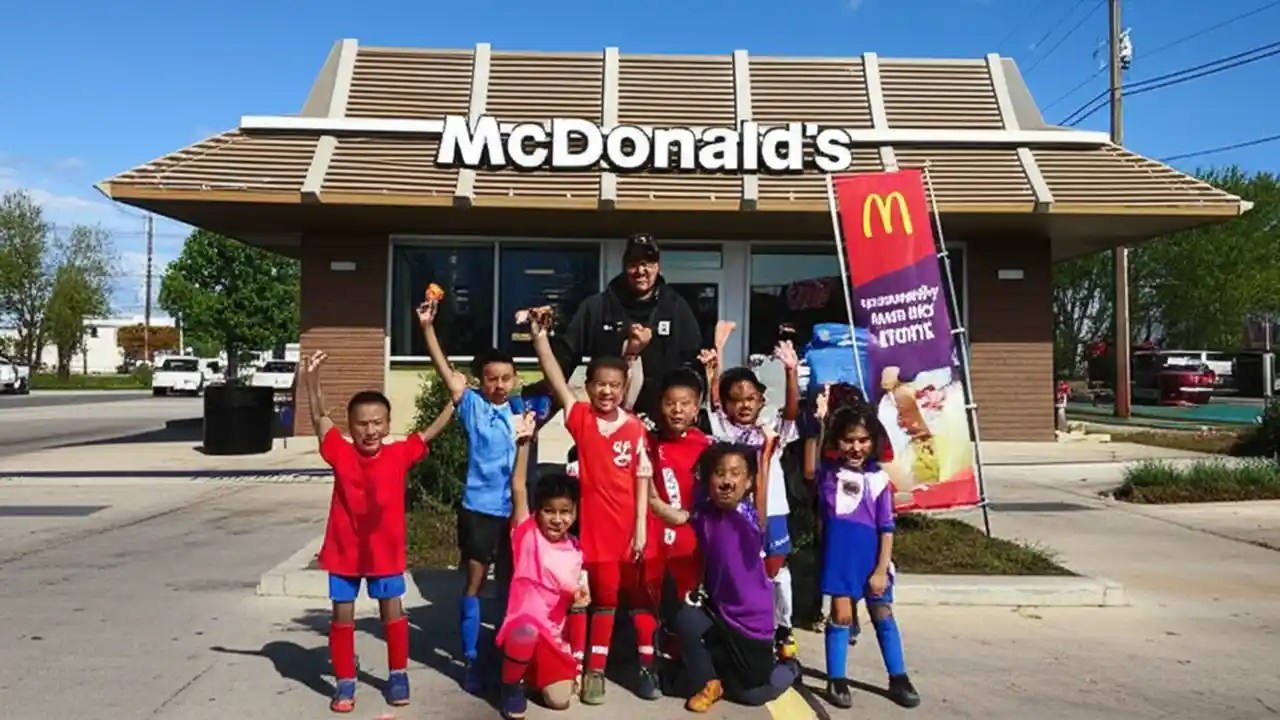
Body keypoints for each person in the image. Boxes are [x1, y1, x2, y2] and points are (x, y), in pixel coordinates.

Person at [299, 349, 455, 713]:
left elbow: (430, 431)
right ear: (351, 427)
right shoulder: (338, 452)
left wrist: (455, 401)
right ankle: (345, 681)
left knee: (393, 613)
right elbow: (320, 416)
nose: (370, 430)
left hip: (385, 553)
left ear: (387, 424)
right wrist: (312, 380)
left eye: (377, 423)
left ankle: (398, 674)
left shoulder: (399, 454)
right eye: (362, 424)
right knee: (341, 616)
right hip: (344, 552)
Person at [527, 304, 664, 705]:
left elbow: (642, 480)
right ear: (587, 387)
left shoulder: (635, 426)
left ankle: (646, 666)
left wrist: (641, 527)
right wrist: (540, 339)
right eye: (599, 384)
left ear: (624, 389)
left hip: (632, 532)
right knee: (597, 601)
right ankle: (593, 671)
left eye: (614, 385)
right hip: (595, 534)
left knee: (637, 599)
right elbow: (554, 377)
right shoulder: (581, 418)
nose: (606, 391)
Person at [418, 288, 520, 692]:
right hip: (479, 507)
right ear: (482, 381)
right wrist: (427, 328)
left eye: (505, 378)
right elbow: (444, 369)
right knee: (476, 582)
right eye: (492, 379)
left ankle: (512, 656)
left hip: (515, 510)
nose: (499, 385)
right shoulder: (473, 404)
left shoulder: (521, 410)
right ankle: (472, 658)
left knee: (514, 584)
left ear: (515, 379)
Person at [648, 443, 801, 713]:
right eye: (720, 473)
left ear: (749, 483)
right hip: (718, 614)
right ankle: (710, 683)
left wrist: (765, 454)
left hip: (751, 623)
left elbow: (761, 505)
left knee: (752, 694)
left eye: (735, 474)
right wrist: (648, 488)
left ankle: (789, 666)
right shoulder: (705, 514)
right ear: (708, 479)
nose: (727, 481)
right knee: (686, 619)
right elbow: (674, 515)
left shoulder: (748, 516)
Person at [812, 395, 921, 710]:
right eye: (849, 440)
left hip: (872, 562)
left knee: (883, 615)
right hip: (840, 562)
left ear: (873, 442)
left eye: (863, 440)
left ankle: (899, 677)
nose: (856, 447)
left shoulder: (878, 480)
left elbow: (886, 528)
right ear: (838, 441)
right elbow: (813, 461)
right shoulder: (829, 476)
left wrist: (880, 569)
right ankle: (837, 678)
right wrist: (821, 423)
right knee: (841, 616)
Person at [703, 324, 802, 660]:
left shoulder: (771, 432)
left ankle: (782, 627)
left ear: (762, 400)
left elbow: (791, 410)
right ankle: (739, 627)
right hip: (735, 514)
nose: (743, 405)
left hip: (772, 511)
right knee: (739, 571)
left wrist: (791, 371)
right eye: (736, 400)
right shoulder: (724, 430)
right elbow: (713, 402)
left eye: (750, 399)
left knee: (775, 573)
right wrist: (715, 363)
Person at [541, 232, 704, 423]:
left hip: (662, 421)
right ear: (625, 267)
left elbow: (692, 364)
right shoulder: (598, 307)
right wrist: (546, 396)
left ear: (658, 267)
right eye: (634, 264)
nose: (641, 271)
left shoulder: (676, 307)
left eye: (648, 264)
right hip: (608, 417)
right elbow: (565, 355)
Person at [495, 412, 590, 720]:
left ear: (574, 514)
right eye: (549, 511)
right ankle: (511, 685)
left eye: (565, 512)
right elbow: (519, 487)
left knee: (560, 701)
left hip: (551, 639)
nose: (557, 519)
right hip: (521, 629)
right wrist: (524, 444)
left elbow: (577, 603)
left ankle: (530, 676)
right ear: (538, 512)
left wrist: (580, 597)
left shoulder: (576, 551)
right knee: (524, 633)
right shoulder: (527, 535)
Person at [645, 368, 714, 669]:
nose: (677, 410)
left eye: (685, 403)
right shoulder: (647, 441)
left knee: (688, 598)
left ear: (697, 406)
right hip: (654, 533)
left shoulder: (707, 446)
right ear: (660, 405)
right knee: (651, 598)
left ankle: (682, 652)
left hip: (692, 536)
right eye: (670, 403)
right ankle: (648, 655)